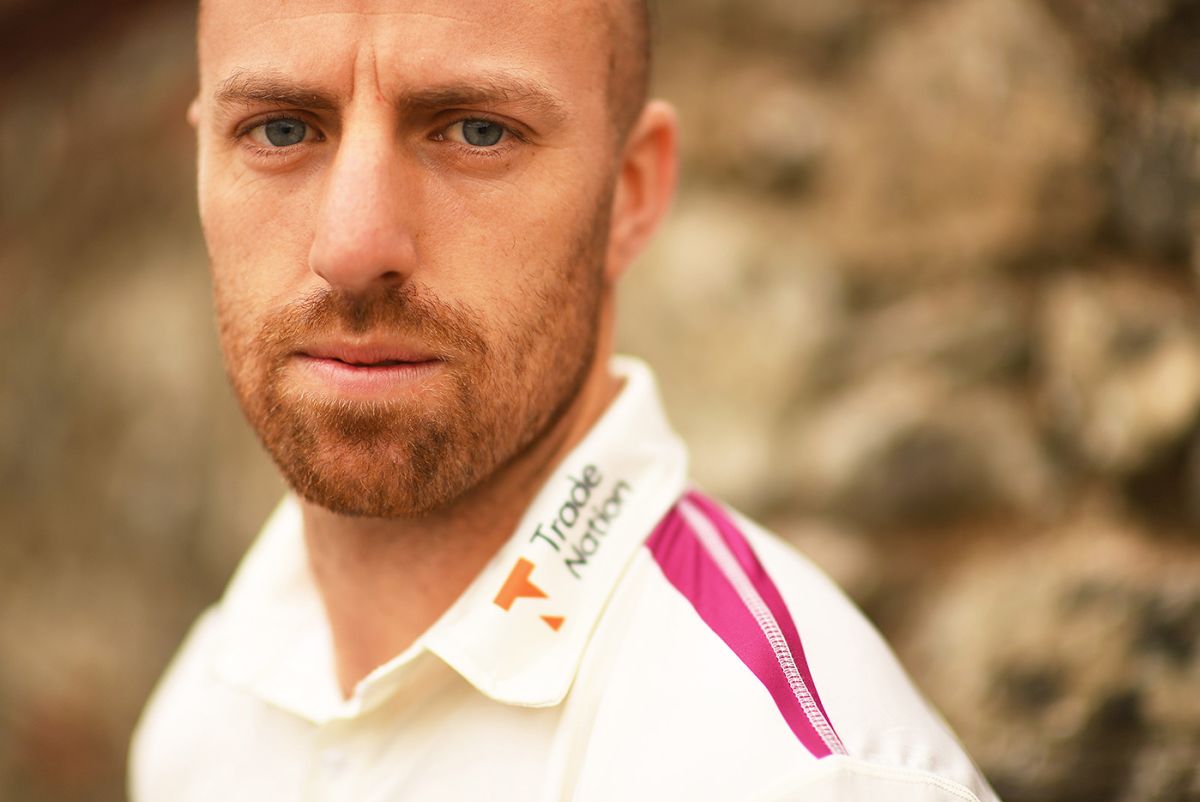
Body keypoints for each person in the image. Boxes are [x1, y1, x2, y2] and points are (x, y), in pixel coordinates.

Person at [130, 1, 1002, 799]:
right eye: (279, 129)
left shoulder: (797, 778)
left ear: (632, 193)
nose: (353, 247)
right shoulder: (202, 713)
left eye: (477, 131)